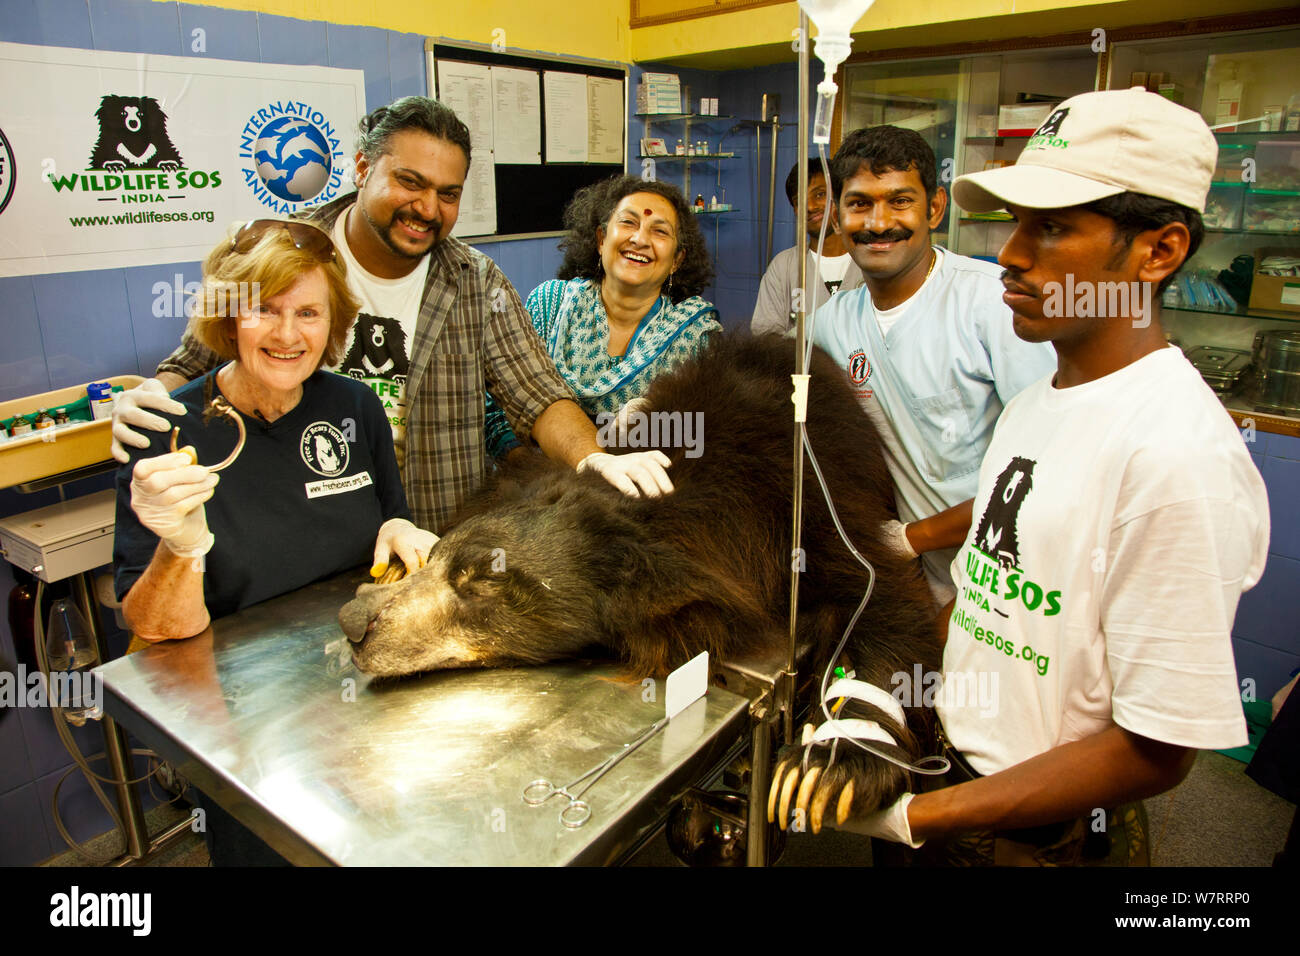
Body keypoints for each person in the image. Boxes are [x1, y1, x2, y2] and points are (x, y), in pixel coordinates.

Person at [827, 88, 1271, 865]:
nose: (1011, 254)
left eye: (1054, 228)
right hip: (953, 775)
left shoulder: (1178, 458)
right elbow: (980, 602)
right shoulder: (1037, 405)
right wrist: (883, 708)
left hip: (1047, 833)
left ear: (1158, 252)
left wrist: (919, 819)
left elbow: (1154, 751)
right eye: (1016, 224)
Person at [111, 97, 672, 533]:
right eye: (409, 182)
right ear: (362, 167)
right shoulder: (278, 252)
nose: (427, 209)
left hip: (433, 537)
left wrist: (591, 459)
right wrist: (149, 401)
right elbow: (193, 363)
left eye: (448, 194)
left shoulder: (476, 282)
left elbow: (538, 394)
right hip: (306, 536)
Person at [113, 219, 434, 865]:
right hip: (245, 730)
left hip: (363, 697)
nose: (289, 335)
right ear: (230, 321)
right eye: (266, 310)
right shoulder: (167, 434)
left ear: (333, 324)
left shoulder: (355, 408)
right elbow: (149, 624)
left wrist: (396, 527)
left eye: (309, 313)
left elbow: (388, 519)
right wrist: (180, 548)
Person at [807, 126, 1055, 604]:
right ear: (836, 217)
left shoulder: (992, 306)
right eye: (859, 204)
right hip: (914, 581)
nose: (879, 223)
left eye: (899, 201)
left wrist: (912, 538)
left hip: (1013, 574)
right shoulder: (829, 326)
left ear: (935, 208)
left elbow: (1047, 470)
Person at [484, 175, 721, 462]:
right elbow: (495, 407)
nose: (640, 239)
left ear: (676, 260)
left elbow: (701, 438)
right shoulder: (549, 305)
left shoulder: (697, 336)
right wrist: (532, 468)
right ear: (600, 240)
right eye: (628, 223)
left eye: (659, 231)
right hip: (538, 486)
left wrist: (646, 424)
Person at [750, 158, 863, 336]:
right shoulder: (784, 267)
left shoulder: (869, 261)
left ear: (841, 196)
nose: (809, 206)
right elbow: (766, 337)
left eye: (819, 194)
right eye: (799, 201)